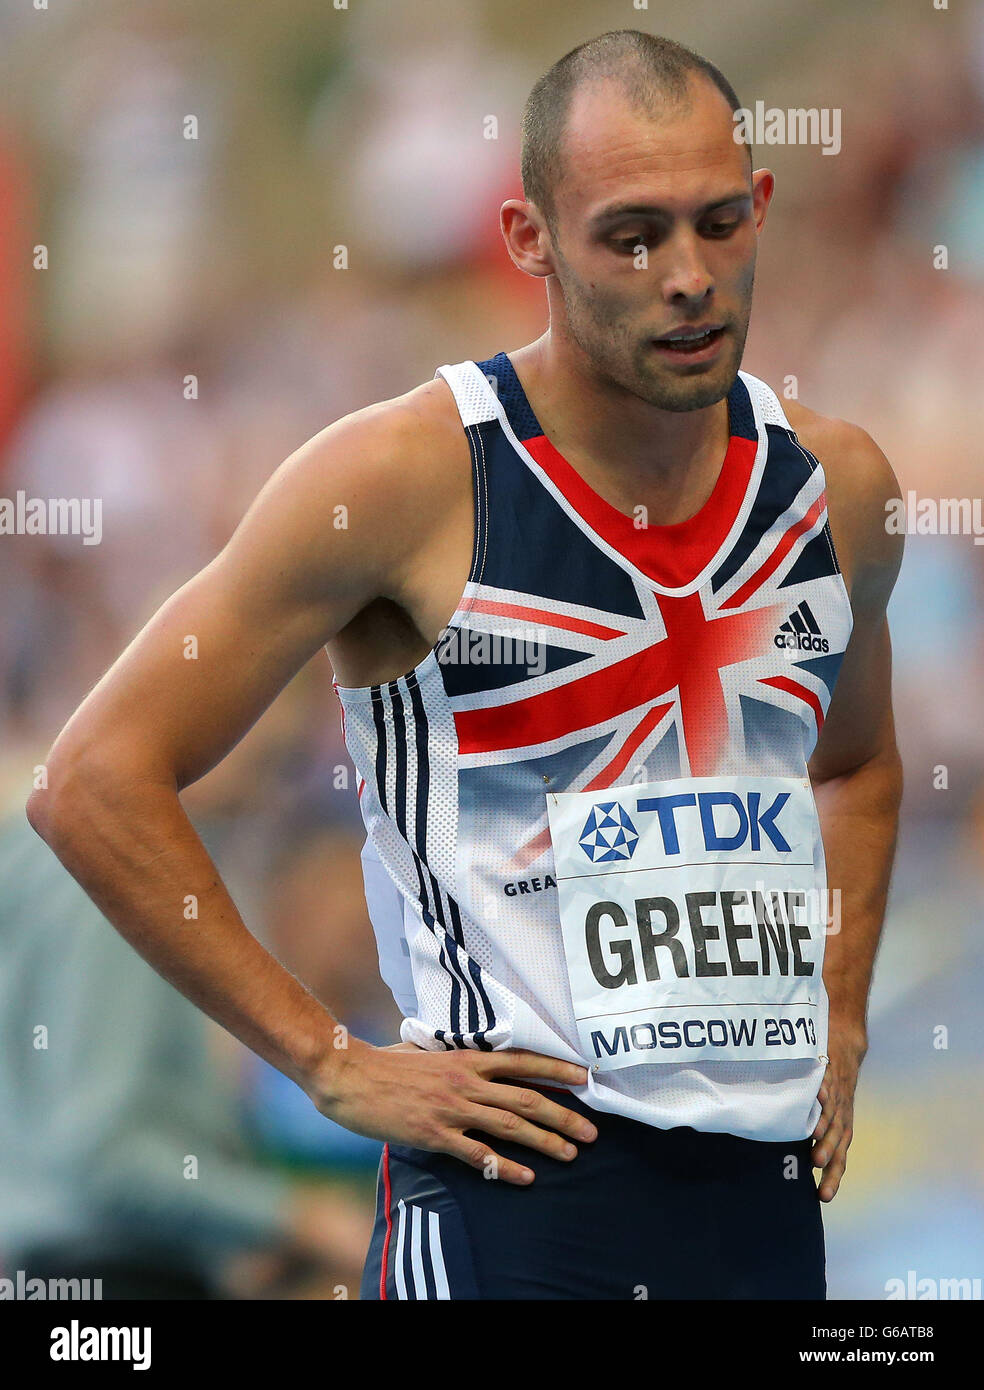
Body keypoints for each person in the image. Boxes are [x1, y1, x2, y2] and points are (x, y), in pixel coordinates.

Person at [27, 30, 904, 1299]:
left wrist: (845, 999)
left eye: (720, 224)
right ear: (530, 237)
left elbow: (863, 764)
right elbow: (92, 780)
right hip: (515, 1201)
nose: (690, 278)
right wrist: (330, 1061)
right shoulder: (399, 479)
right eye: (633, 235)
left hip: (763, 1209)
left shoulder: (836, 490)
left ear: (764, 205)